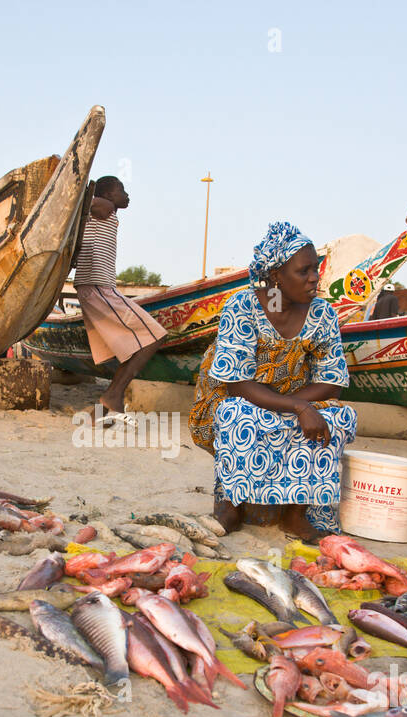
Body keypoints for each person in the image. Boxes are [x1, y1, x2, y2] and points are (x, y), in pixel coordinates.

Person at [188, 222, 356, 542]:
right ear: (277, 276)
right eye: (303, 271)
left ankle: (296, 512)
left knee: (334, 417)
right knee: (238, 415)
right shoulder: (242, 307)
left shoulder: (323, 314)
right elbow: (236, 384)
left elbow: (332, 381)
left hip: (296, 395)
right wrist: (298, 406)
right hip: (236, 395)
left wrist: (300, 404)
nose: (314, 277)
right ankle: (232, 504)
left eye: (316, 268)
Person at [71, 175, 167, 424]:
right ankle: (113, 395)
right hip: (98, 287)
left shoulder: (102, 211)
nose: (127, 195)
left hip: (97, 288)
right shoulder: (102, 207)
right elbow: (97, 204)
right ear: (109, 194)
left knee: (131, 348)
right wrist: (92, 196)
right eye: (121, 190)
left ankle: (101, 412)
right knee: (154, 337)